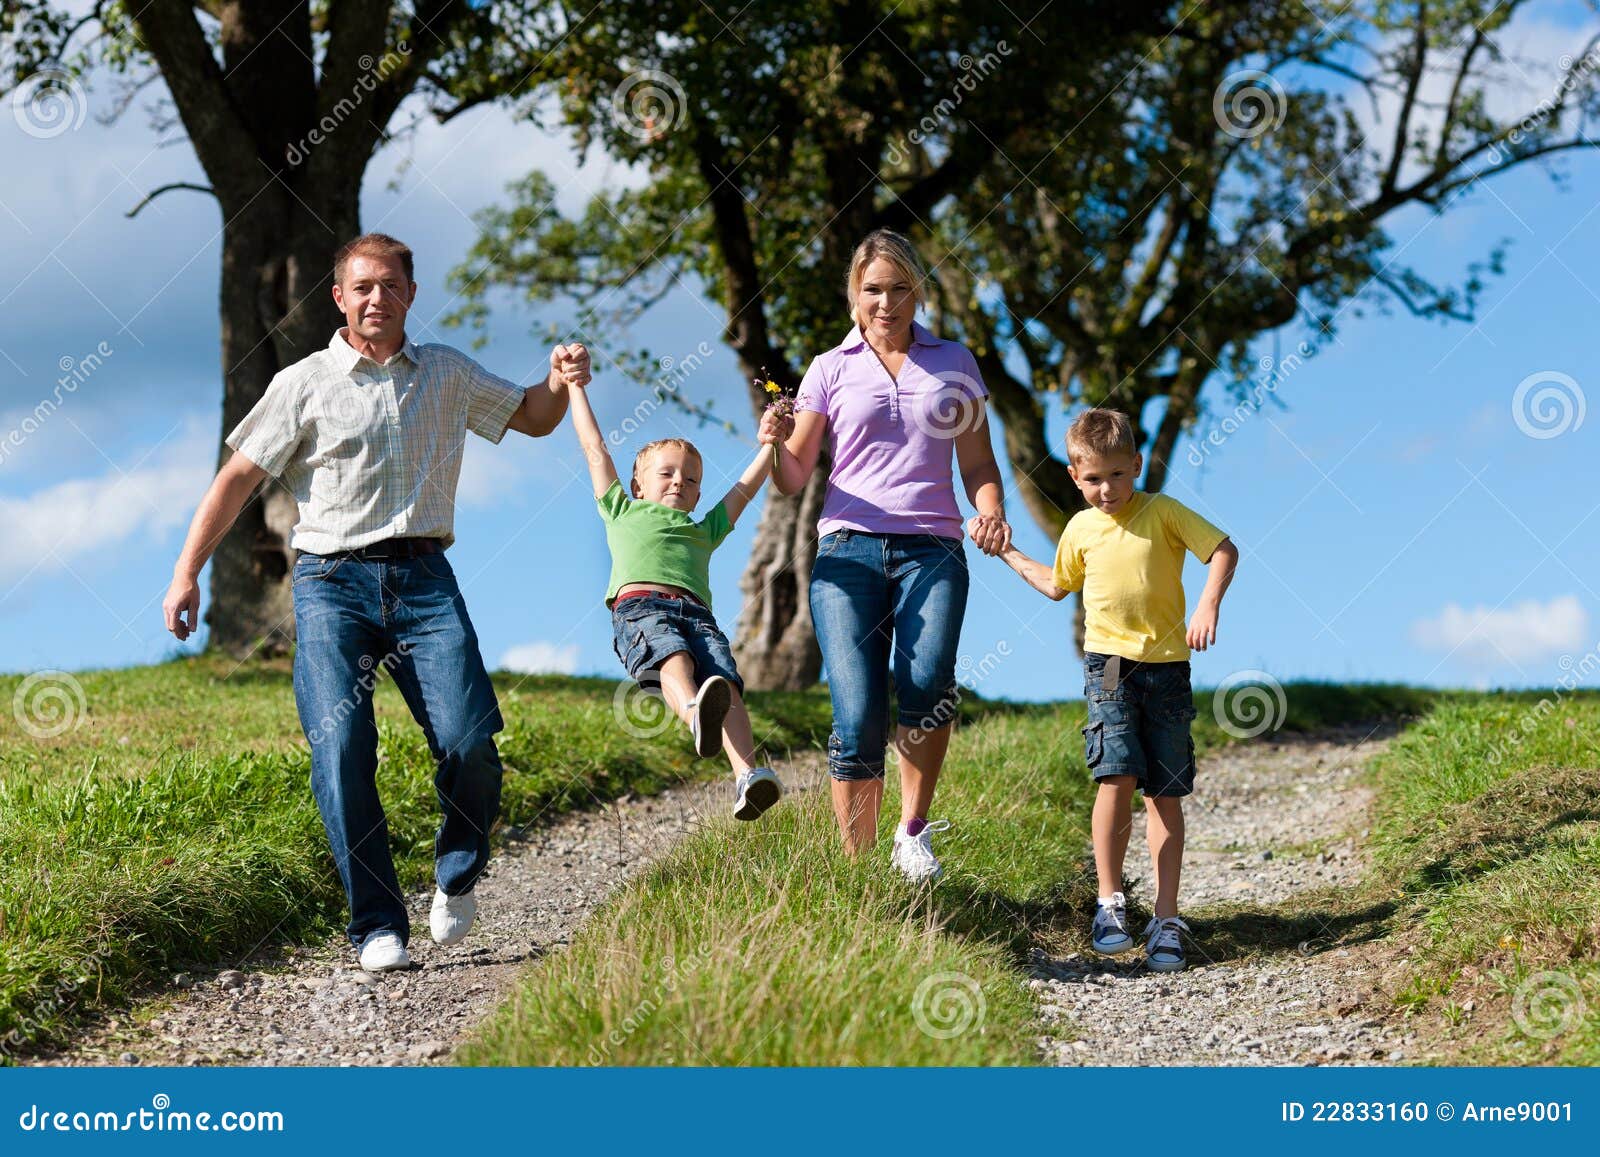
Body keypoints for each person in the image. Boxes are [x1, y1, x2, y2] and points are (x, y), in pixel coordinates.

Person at [161, 232, 590, 972]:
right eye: (362, 286)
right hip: (332, 585)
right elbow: (236, 480)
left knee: (470, 743)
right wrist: (186, 571)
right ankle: (377, 924)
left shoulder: (446, 371)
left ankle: (457, 869)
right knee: (341, 751)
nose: (377, 298)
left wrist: (558, 378)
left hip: (425, 581)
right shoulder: (303, 383)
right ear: (339, 297)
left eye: (391, 285)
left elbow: (533, 415)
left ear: (411, 294)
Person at [771, 229, 1011, 882]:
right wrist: (773, 444)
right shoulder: (828, 367)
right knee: (856, 715)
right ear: (855, 293)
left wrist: (990, 508)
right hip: (846, 550)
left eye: (900, 288)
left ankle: (911, 832)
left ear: (918, 292)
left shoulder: (954, 361)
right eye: (873, 289)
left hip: (933, 548)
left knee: (927, 684)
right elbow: (793, 475)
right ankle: (859, 872)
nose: (886, 302)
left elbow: (979, 462)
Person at [981, 407, 1238, 971]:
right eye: (1094, 478)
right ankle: (1110, 904)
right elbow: (1056, 585)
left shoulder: (1164, 512)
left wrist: (1207, 604)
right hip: (1110, 667)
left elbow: (1223, 549)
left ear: (1137, 466)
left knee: (1164, 792)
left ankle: (1166, 919)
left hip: (1167, 667)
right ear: (1074, 476)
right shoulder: (1080, 528)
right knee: (1115, 773)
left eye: (1118, 475)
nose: (1107, 489)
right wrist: (1006, 552)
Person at [569, 370, 791, 818]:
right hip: (641, 608)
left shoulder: (704, 529)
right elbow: (594, 448)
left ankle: (747, 776)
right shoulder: (620, 509)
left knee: (726, 684)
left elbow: (744, 490)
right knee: (674, 657)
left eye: (690, 480)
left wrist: (770, 444)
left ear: (698, 495)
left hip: (698, 615)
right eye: (666, 474)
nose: (678, 482)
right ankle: (694, 715)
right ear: (638, 486)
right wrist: (575, 386)